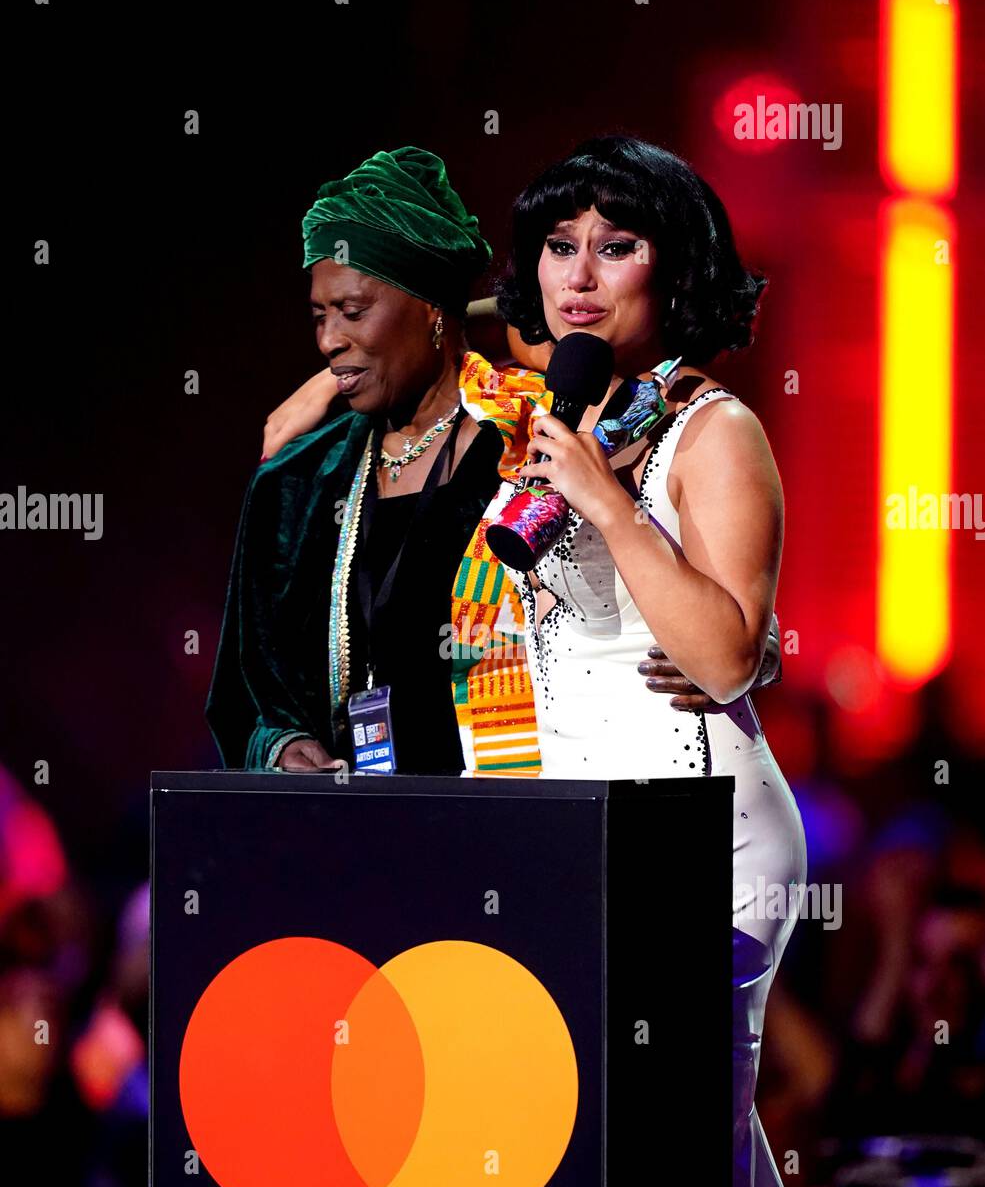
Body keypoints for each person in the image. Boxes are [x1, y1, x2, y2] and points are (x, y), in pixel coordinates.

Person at [206, 145, 784, 778]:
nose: (578, 277)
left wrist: (748, 641)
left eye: (353, 310)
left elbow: (719, 615)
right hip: (509, 806)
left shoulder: (526, 417)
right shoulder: (310, 478)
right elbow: (252, 675)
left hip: (619, 796)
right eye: (559, 248)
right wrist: (338, 377)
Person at [486, 134, 809, 1187]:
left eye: (614, 247)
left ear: (672, 272)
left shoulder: (714, 431)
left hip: (706, 837)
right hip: (593, 839)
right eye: (557, 246)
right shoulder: (546, 427)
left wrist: (609, 505)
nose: (576, 275)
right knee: (672, 1149)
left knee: (662, 1148)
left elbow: (722, 655)